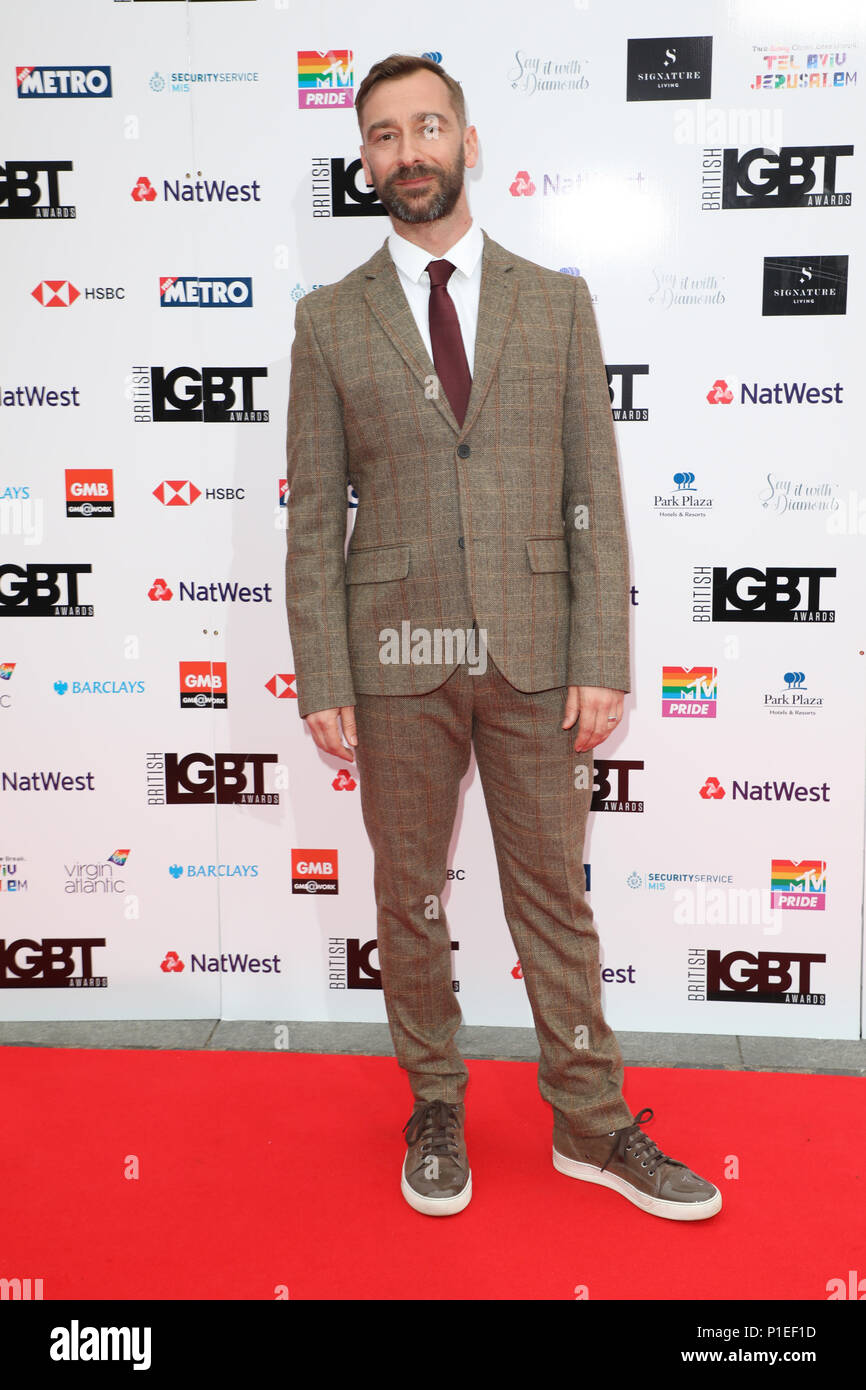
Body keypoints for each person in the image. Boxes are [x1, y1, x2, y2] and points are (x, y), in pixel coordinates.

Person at [285, 53, 721, 1222]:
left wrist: (601, 653)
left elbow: (597, 487)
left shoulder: (554, 299)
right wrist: (321, 667)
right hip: (392, 657)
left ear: (469, 142)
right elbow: (315, 510)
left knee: (551, 899)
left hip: (536, 645)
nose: (408, 151)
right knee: (409, 896)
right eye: (384, 135)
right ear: (365, 160)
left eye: (428, 127)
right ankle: (433, 1099)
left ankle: (588, 1119)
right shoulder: (326, 321)